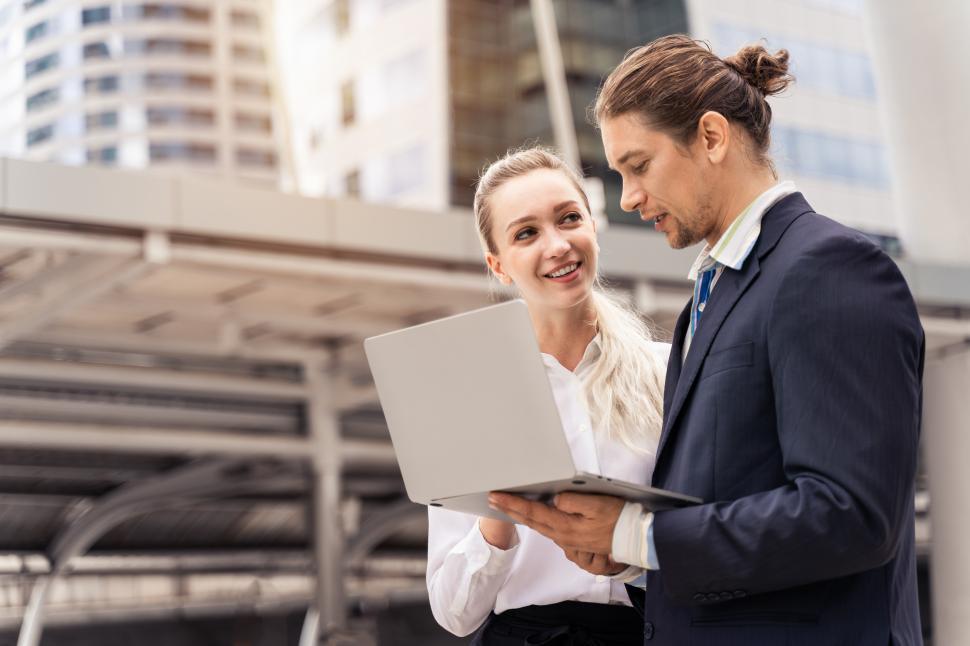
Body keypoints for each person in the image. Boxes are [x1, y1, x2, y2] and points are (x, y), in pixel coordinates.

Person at [490, 35, 925, 646]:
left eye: (638, 166)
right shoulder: (714, 295)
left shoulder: (828, 270)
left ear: (713, 137)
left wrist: (640, 535)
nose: (630, 198)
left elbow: (851, 514)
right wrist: (638, 559)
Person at [427, 147, 669, 645]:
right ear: (499, 265)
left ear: (593, 227)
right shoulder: (468, 399)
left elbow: (708, 537)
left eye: (569, 218)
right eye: (526, 233)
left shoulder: (670, 372)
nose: (557, 245)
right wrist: (498, 517)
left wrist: (634, 551)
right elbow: (455, 614)